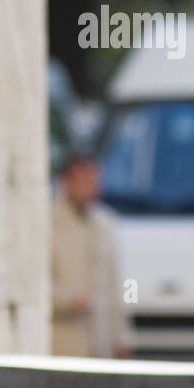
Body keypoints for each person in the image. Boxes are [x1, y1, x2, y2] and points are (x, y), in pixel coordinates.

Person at [50, 153, 131, 358]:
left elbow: (114, 285)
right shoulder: (48, 223)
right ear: (66, 182)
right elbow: (33, 283)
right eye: (82, 180)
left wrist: (121, 338)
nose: (88, 187)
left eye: (92, 180)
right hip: (63, 341)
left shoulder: (105, 223)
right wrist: (69, 300)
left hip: (99, 342)